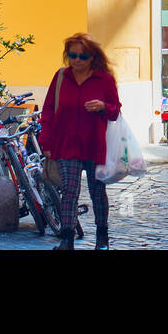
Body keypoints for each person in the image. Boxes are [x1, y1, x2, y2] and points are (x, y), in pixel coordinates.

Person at [39, 33, 121, 250]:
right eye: (72, 55)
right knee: (69, 191)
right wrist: (45, 142)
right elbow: (47, 110)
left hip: (94, 144)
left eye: (82, 56)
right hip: (66, 144)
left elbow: (115, 111)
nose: (76, 60)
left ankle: (102, 237)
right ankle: (67, 239)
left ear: (92, 57)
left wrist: (103, 106)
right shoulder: (60, 77)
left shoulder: (104, 79)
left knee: (97, 191)